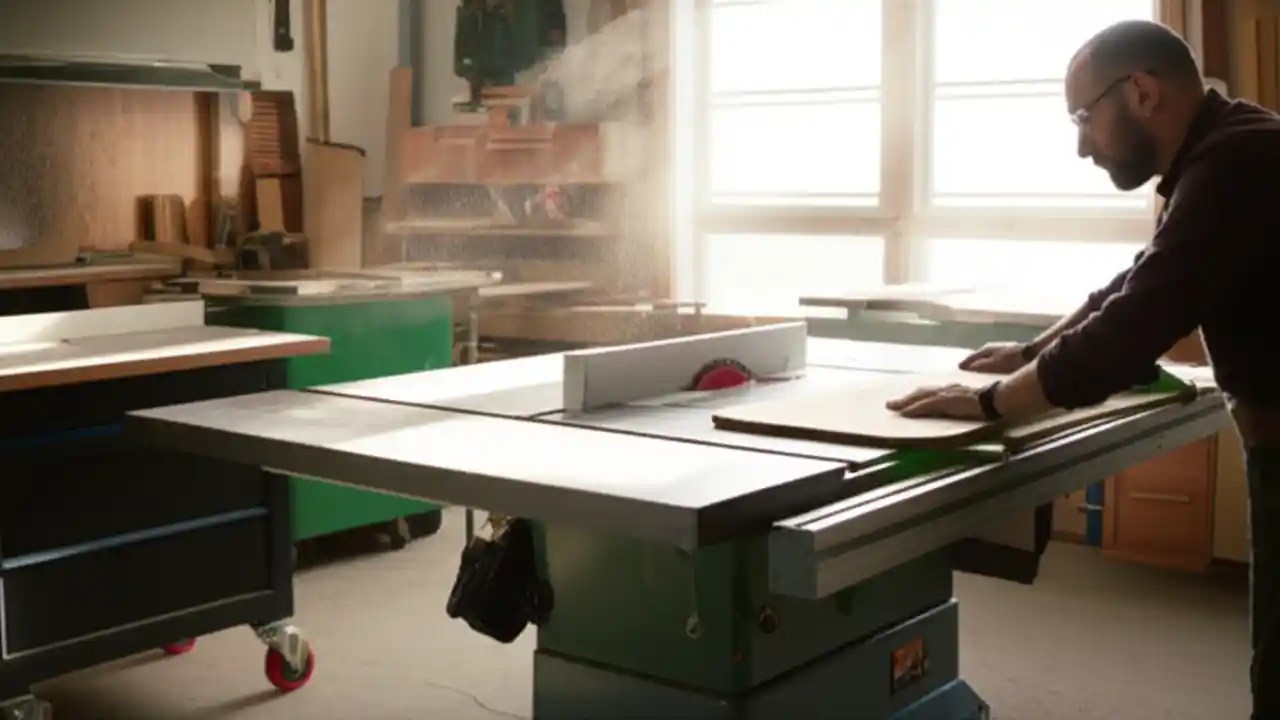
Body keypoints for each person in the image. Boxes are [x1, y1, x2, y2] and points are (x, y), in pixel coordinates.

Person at [884, 19, 1280, 718]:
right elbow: (1139, 281)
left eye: (1083, 117)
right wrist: (1032, 352)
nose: (1080, 145)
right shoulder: (1228, 147)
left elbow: (1131, 331)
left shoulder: (1232, 169)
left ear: (1142, 92)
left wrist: (989, 405)